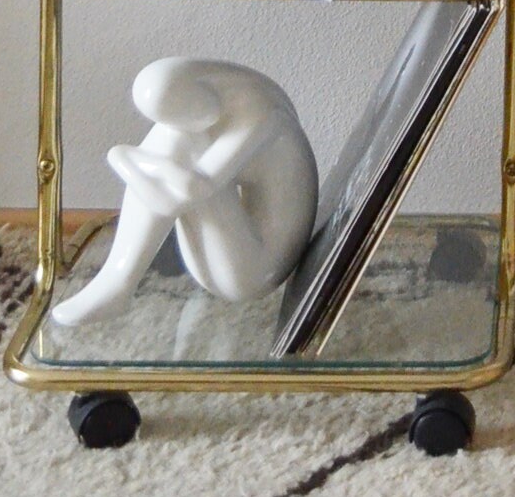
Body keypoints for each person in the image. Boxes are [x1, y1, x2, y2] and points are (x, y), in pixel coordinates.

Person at [52, 58, 317, 328]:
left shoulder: (261, 114)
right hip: (218, 261)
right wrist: (130, 161)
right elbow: (176, 194)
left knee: (177, 148)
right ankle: (116, 281)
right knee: (175, 141)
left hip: (256, 273)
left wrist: (124, 158)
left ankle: (117, 284)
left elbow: (194, 190)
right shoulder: (213, 99)